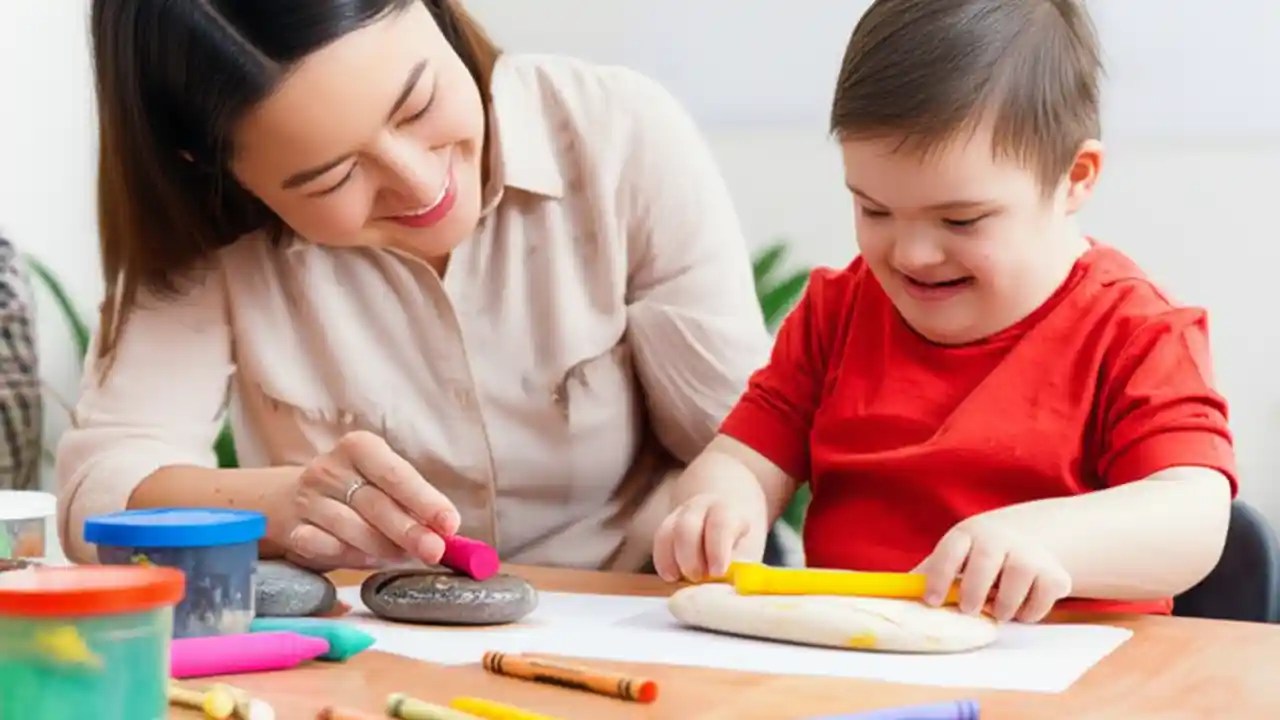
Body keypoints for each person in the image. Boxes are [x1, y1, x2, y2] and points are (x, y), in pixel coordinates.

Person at [56, 0, 772, 572]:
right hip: (375, 658)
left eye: (418, 104)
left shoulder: (615, 133)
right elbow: (101, 495)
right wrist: (279, 505)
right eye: (333, 178)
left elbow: (748, 436)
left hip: (645, 618)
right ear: (212, 169)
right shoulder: (212, 235)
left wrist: (722, 514)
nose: (422, 184)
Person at [652, 0, 1236, 622]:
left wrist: (1048, 536)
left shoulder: (1137, 333)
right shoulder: (837, 311)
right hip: (860, 660)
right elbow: (744, 457)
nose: (912, 253)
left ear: (1075, 177)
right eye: (873, 210)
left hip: (1065, 679)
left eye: (961, 219)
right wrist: (722, 502)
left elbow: (1194, 517)